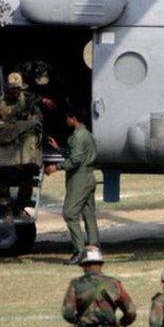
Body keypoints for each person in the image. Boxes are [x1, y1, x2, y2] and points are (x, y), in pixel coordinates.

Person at [0, 72, 42, 219]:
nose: (15, 92)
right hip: (3, 142)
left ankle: (21, 206)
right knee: (1, 179)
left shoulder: (28, 99)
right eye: (13, 89)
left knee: (27, 179)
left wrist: (27, 125)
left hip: (22, 141)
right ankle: (6, 208)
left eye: (18, 89)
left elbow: (37, 117)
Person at [46, 106, 99, 265]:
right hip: (89, 176)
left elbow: (75, 160)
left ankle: (79, 251)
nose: (66, 120)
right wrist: (58, 148)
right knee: (88, 213)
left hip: (79, 178)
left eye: (68, 117)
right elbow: (76, 154)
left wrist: (56, 167)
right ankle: (94, 247)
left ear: (73, 118)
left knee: (69, 213)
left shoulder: (78, 136)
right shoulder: (87, 134)